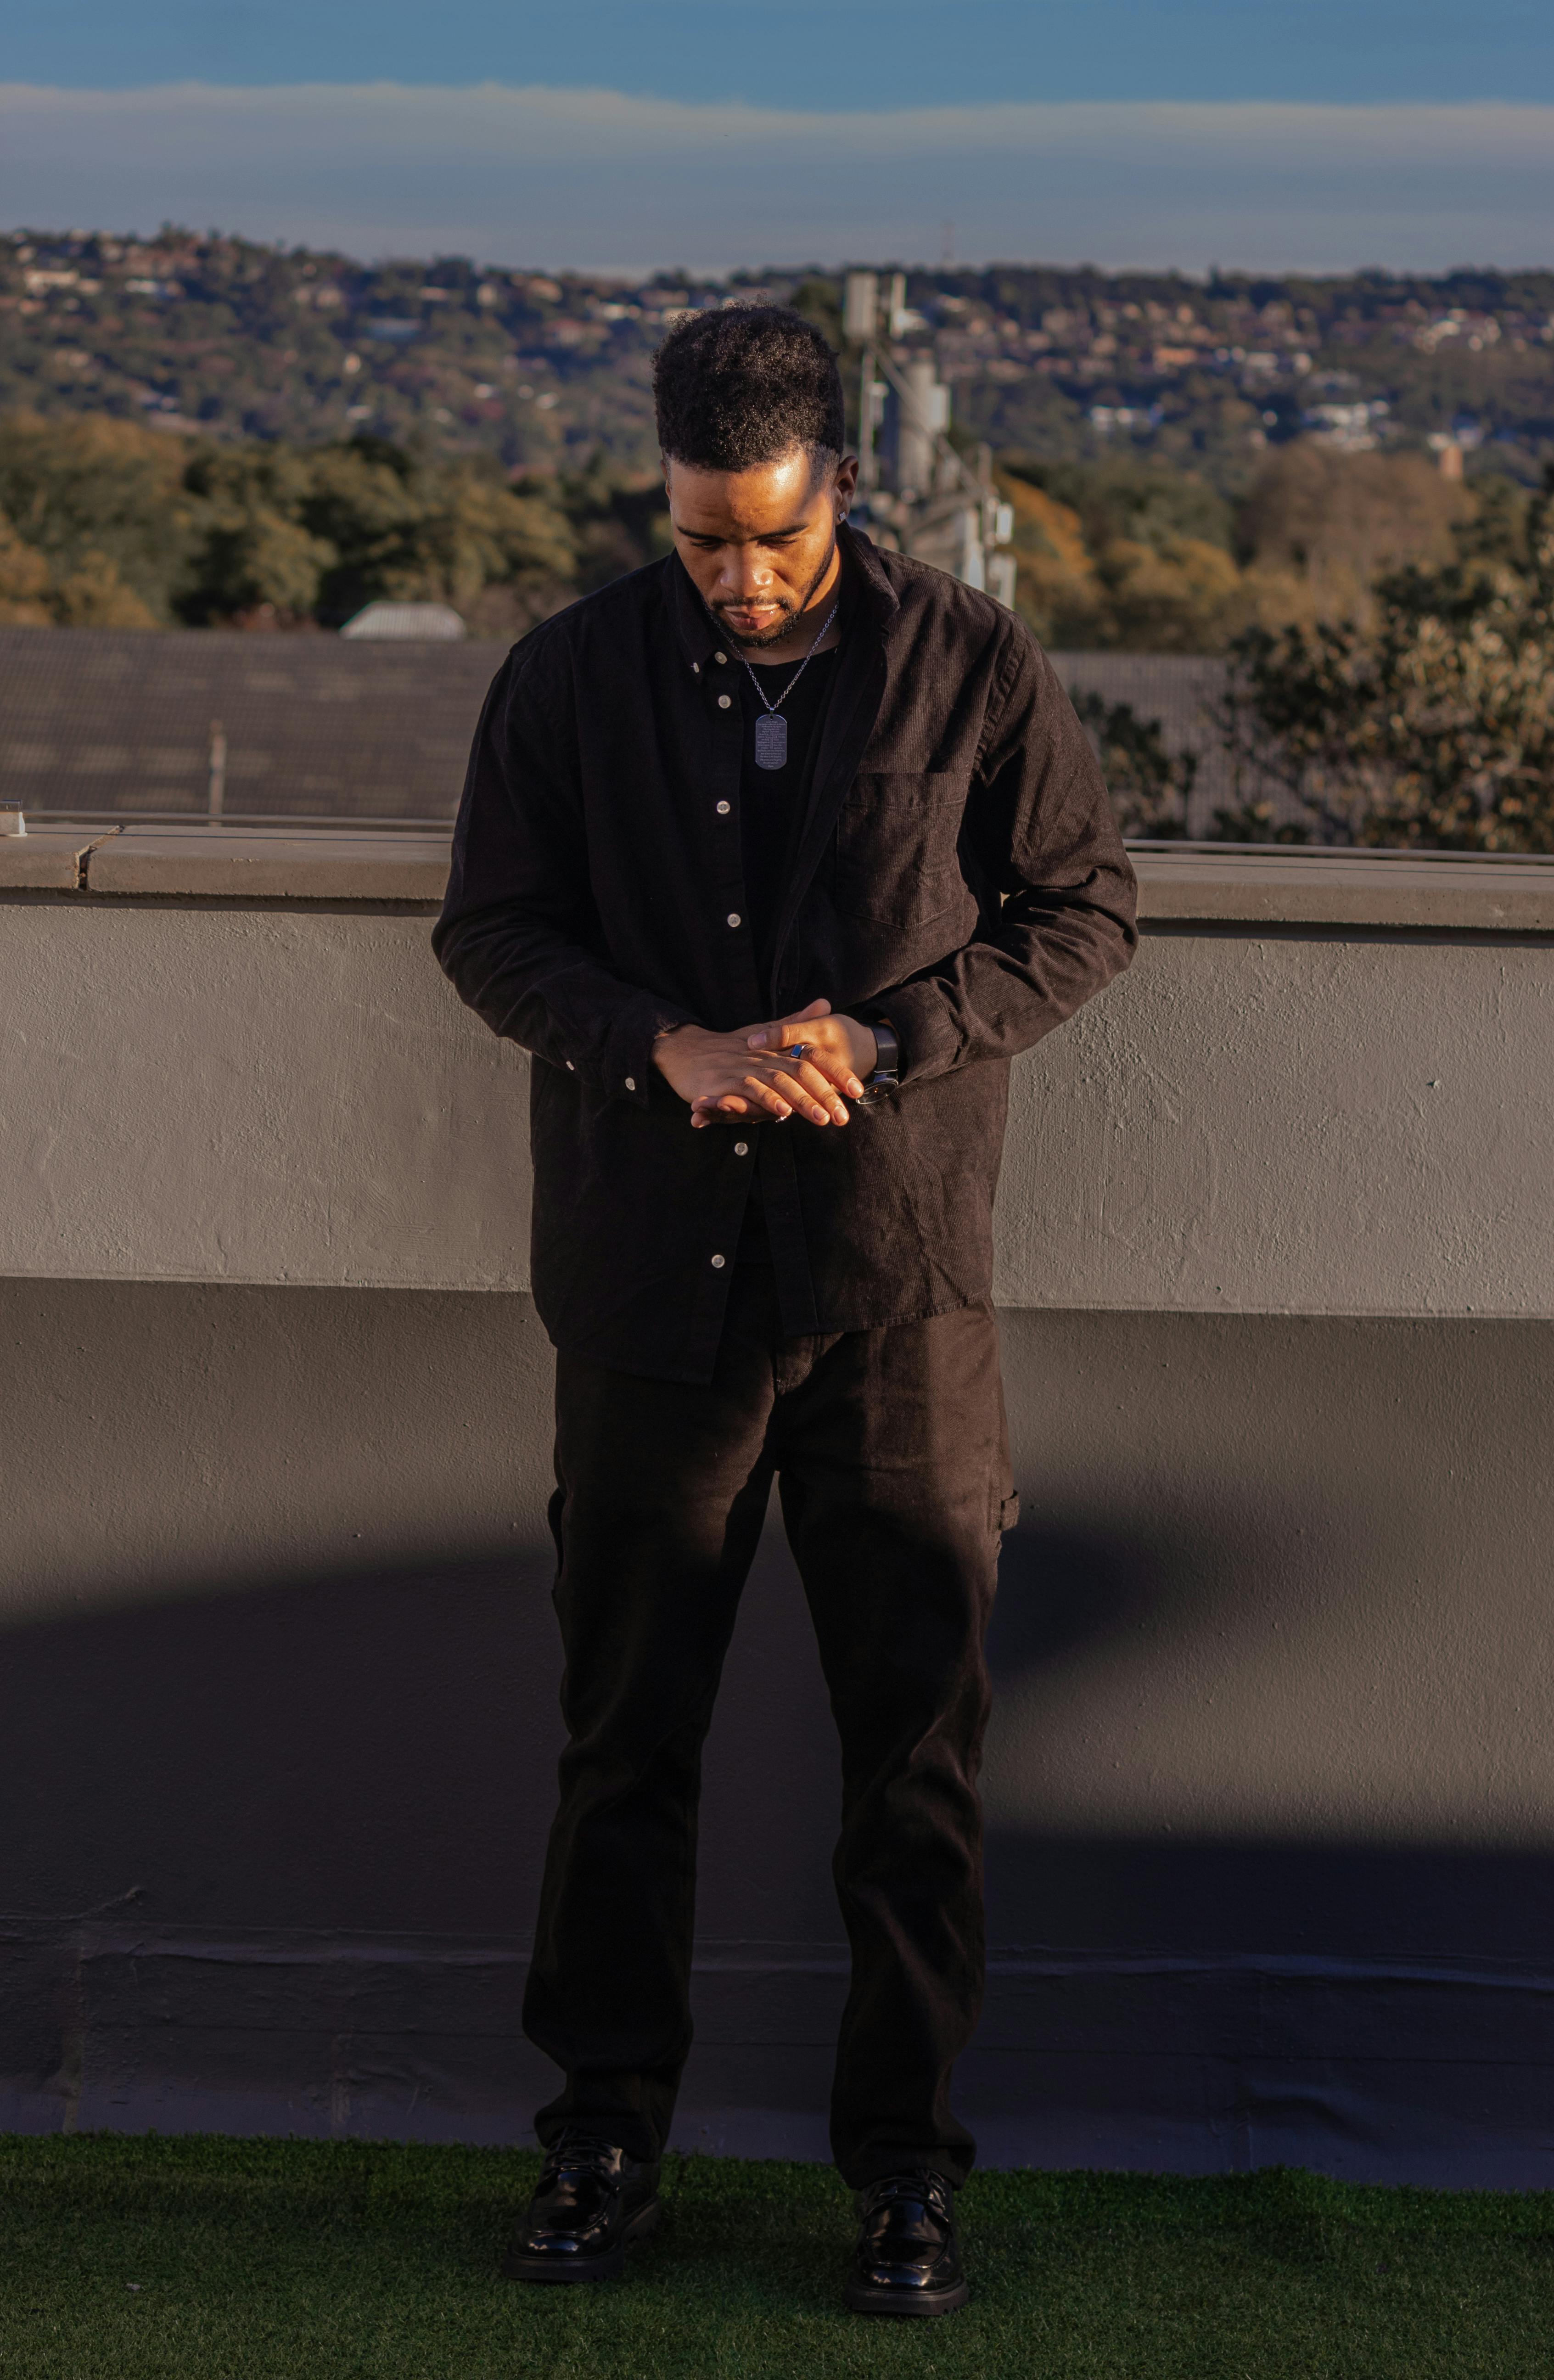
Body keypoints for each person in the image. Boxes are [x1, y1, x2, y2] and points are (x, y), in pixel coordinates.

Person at [432, 304, 1136, 2317]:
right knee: (621, 1745)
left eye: (772, 538)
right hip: (650, 1300)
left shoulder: (972, 660)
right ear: (661, 491)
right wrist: (658, 1044)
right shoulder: (570, 676)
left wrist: (892, 1036)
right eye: (700, 539)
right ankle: (600, 2148)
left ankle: (906, 2179)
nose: (738, 578)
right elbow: (487, 929)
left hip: (898, 1295)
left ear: (839, 477)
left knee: (914, 1762)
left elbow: (1085, 908)